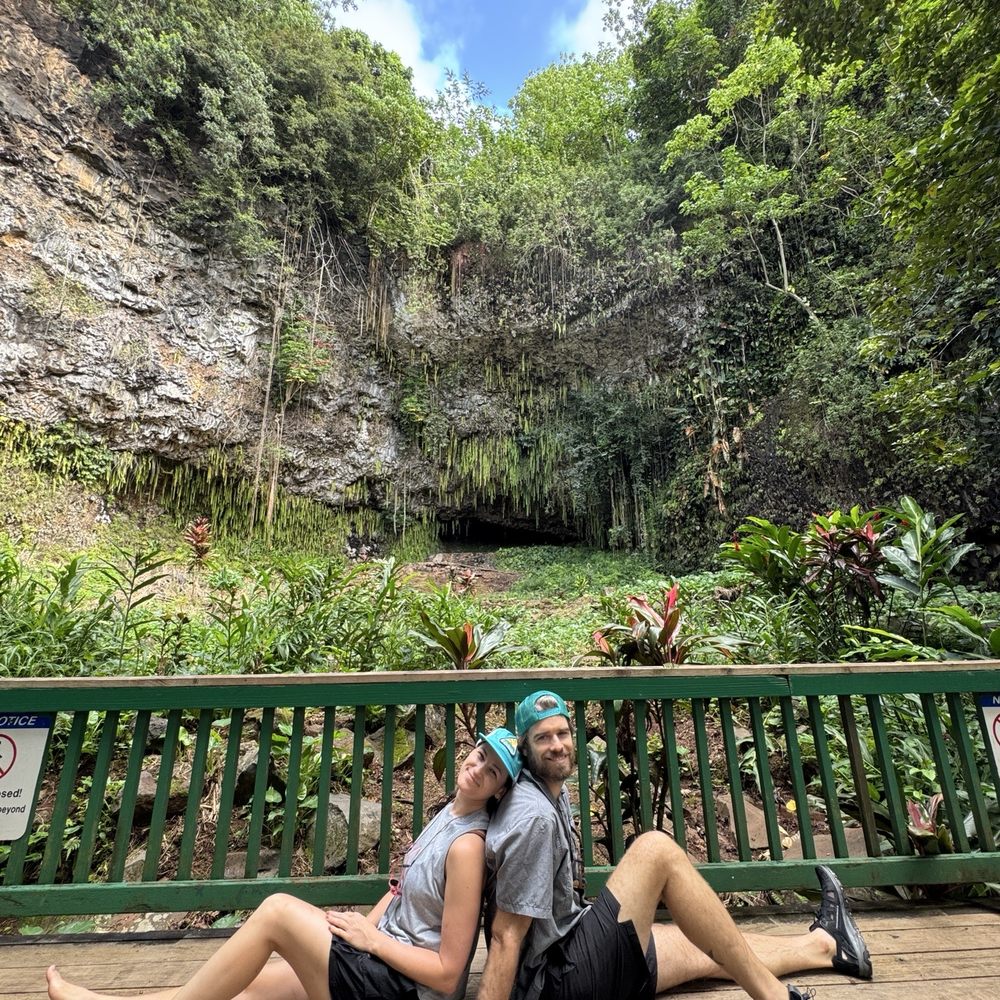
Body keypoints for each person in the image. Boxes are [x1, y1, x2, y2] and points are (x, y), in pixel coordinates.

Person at [47, 727, 523, 1000]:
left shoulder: (467, 847)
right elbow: (399, 892)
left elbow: (448, 972)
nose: (478, 768)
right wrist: (359, 927)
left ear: (500, 789)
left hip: (401, 989)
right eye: (480, 754)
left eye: (493, 770)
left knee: (277, 911)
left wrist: (373, 940)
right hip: (380, 961)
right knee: (246, 988)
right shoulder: (449, 812)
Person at [481, 691, 872, 1000]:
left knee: (700, 940)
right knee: (655, 849)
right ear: (525, 749)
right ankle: (775, 996)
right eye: (542, 738)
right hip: (555, 981)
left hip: (570, 947)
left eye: (562, 734)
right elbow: (505, 936)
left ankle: (828, 946)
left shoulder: (551, 791)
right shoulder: (533, 816)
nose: (556, 745)